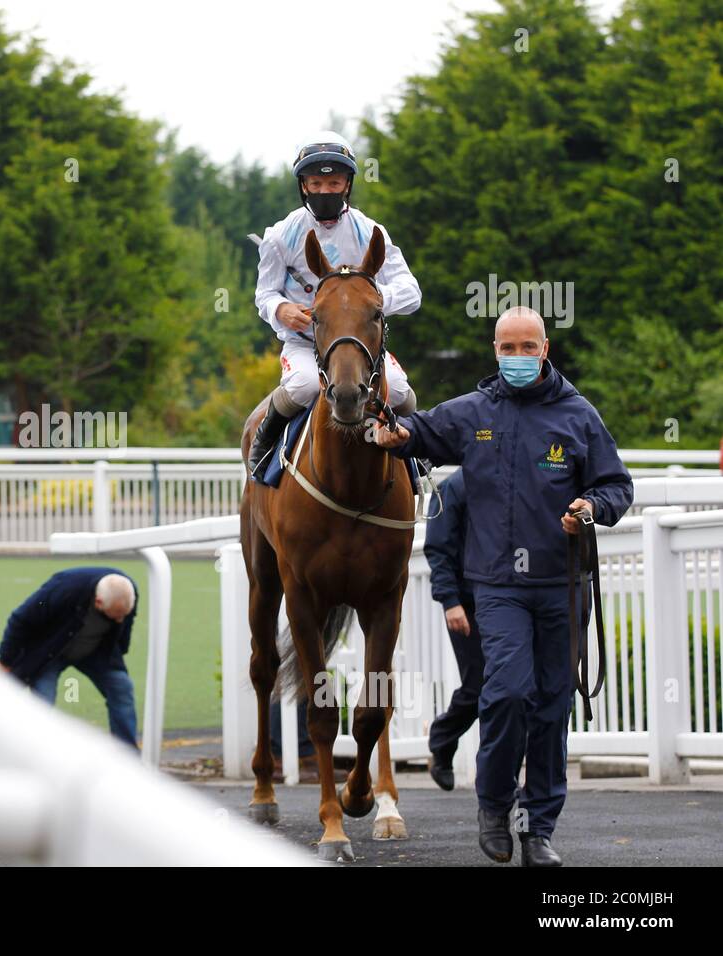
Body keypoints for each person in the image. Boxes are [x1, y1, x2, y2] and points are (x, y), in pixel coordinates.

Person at [376, 307, 633, 867]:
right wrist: (391, 432)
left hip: (564, 585)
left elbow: (616, 484)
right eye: (507, 348)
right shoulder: (473, 413)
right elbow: (416, 432)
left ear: (545, 349)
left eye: (527, 347)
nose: (517, 357)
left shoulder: (578, 416)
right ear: (495, 351)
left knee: (550, 707)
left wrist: (592, 506)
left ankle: (538, 828)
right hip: (497, 586)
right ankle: (494, 807)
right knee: (508, 692)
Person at [247, 131, 423, 479]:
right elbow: (264, 295)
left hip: (361, 346)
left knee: (402, 393)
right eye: (316, 182)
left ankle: (417, 459)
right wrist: (282, 310)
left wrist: (369, 301)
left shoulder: (371, 231)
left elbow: (411, 291)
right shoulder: (280, 235)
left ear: (347, 184)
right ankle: (263, 443)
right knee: (305, 385)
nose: (325, 190)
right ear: (303, 186)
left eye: (334, 182)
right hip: (306, 343)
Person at [0, 568, 139, 748]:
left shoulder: (127, 592)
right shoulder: (61, 589)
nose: (120, 620)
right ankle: (35, 754)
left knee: (122, 689)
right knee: (42, 701)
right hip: (51, 652)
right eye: (115, 615)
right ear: (98, 602)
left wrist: (119, 652)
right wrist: (5, 660)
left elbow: (125, 630)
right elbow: (21, 618)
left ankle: (127, 758)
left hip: (97, 652)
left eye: (123, 616)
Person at [424, 467, 484, 791]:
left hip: (505, 599)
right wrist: (450, 601)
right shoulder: (452, 488)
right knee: (478, 684)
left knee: (507, 688)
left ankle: (497, 775)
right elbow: (438, 548)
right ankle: (442, 739)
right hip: (467, 604)